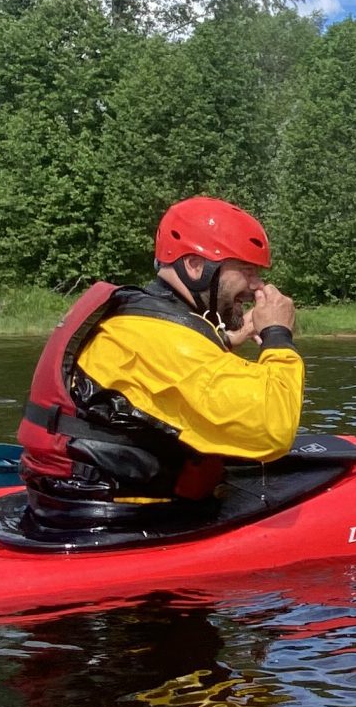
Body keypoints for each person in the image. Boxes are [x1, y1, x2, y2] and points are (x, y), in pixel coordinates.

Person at [16, 196, 303, 536]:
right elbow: (271, 432)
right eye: (246, 270)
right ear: (196, 266)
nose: (256, 286)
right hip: (108, 521)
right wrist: (277, 337)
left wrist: (228, 339)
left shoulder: (143, 317)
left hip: (71, 500)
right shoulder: (163, 338)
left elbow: (164, 381)